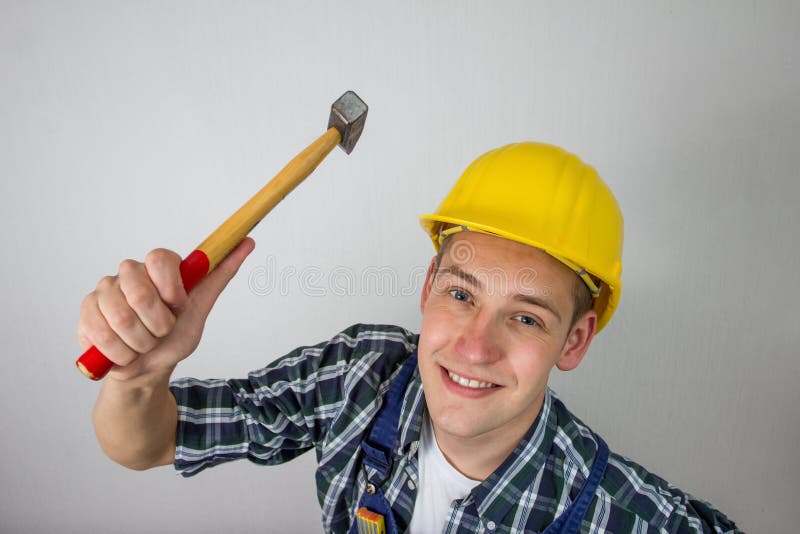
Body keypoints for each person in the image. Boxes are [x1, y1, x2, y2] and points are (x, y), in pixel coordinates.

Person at [79, 142, 739, 533]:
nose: (474, 346)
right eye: (461, 293)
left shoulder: (621, 515)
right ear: (428, 287)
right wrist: (139, 374)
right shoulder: (359, 379)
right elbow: (150, 443)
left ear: (575, 340)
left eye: (528, 316)